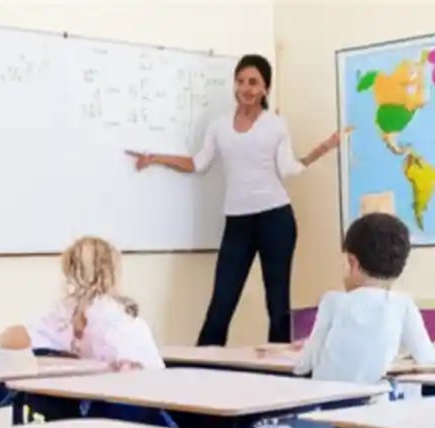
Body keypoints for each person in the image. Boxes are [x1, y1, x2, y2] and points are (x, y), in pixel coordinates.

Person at [128, 54, 347, 346]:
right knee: (222, 302)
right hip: (238, 222)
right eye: (241, 81)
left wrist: (322, 149)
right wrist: (155, 158)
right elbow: (198, 163)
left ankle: (281, 376)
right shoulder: (219, 126)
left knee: (277, 303)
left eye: (253, 82)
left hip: (276, 219)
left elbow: (288, 169)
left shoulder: (276, 125)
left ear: (265, 89)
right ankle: (201, 368)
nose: (246, 88)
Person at [292, 212, 435, 382]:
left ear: (352, 262)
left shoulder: (332, 301)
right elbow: (427, 359)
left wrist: (305, 349)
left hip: (323, 403)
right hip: (370, 403)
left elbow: (303, 366)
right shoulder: (403, 305)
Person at [0, 235, 164, 370]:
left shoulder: (115, 318)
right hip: (98, 400)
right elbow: (15, 338)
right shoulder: (68, 310)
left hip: (127, 403)